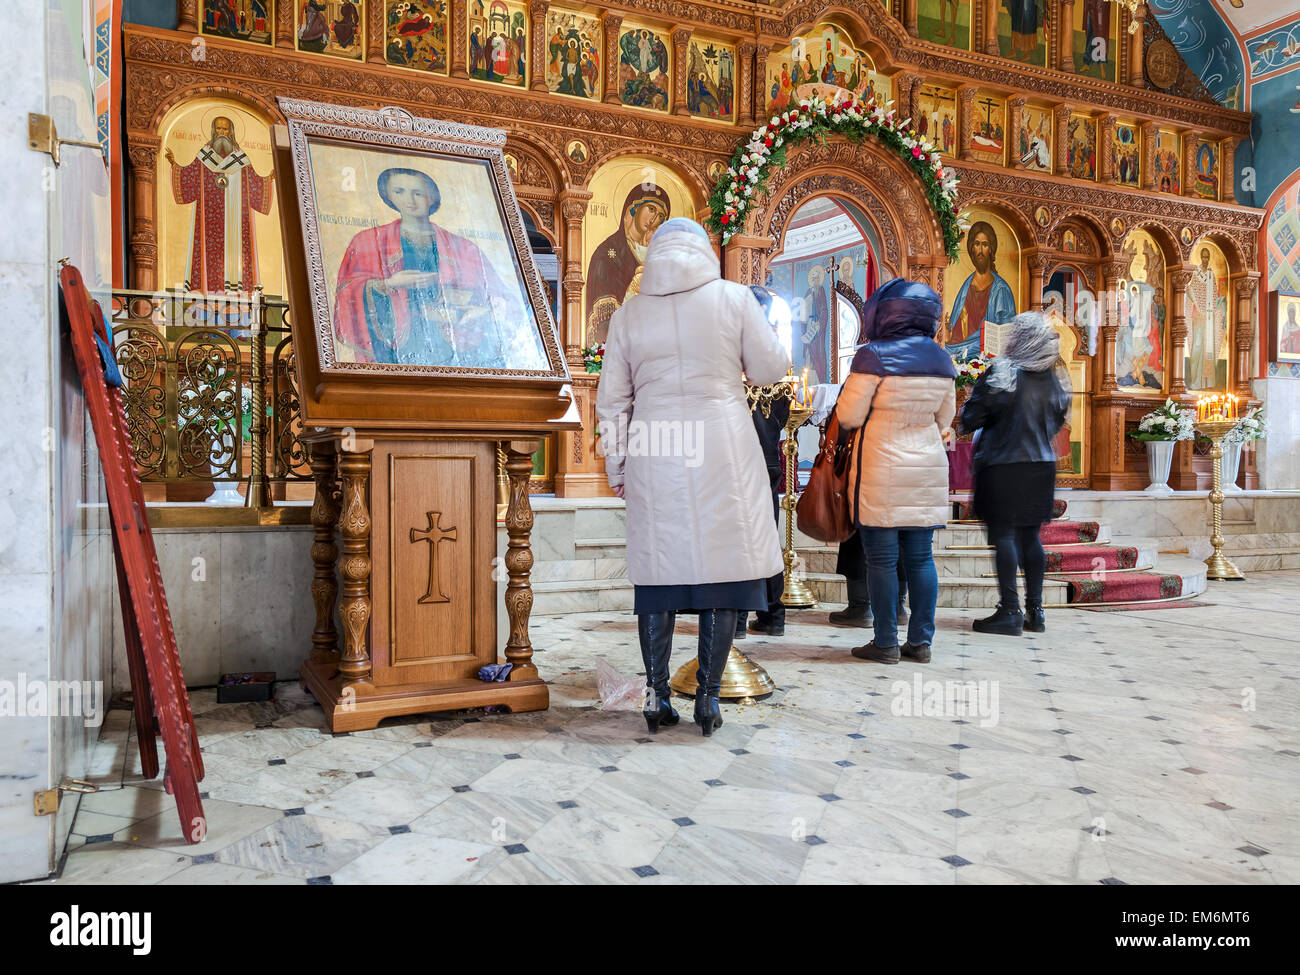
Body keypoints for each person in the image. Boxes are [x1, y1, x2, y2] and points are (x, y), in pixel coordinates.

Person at [596, 219, 790, 735]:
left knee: (659, 574)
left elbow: (612, 402)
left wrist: (617, 467)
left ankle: (657, 697)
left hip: (654, 443)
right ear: (705, 251)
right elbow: (772, 369)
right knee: (721, 570)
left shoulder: (629, 314)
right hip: (721, 439)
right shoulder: (733, 298)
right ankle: (708, 699)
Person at [835, 278, 956, 664]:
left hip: (881, 468)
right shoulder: (942, 358)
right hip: (927, 467)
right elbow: (946, 419)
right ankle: (920, 643)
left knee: (882, 560)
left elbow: (849, 415)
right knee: (921, 559)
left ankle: (885, 642)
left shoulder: (873, 356)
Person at [958, 312, 1072, 636]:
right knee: (1030, 537)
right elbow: (1058, 420)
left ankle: (1009, 610)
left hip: (1004, 464)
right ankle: (1036, 612)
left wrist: (971, 406)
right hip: (1041, 466)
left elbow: (971, 417)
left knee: (1004, 536)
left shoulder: (1004, 372)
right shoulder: (1056, 378)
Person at [736, 286, 789, 640]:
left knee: (736, 539)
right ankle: (773, 616)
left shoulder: (730, 350)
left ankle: (736, 619)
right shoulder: (776, 354)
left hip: (735, 462)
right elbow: (783, 413)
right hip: (768, 459)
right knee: (766, 537)